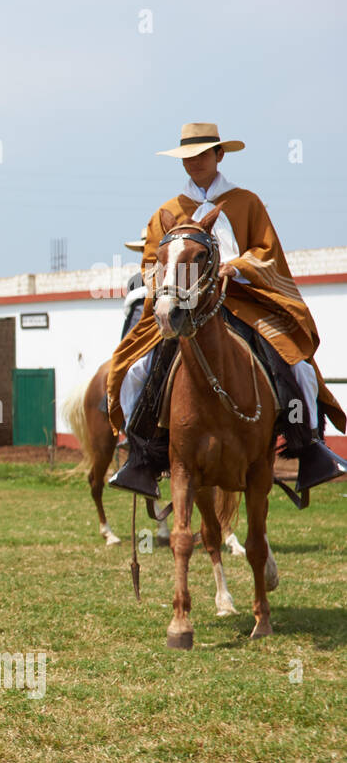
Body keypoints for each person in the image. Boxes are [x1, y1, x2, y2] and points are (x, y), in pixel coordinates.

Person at [107, 122, 346, 498]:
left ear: (219, 155)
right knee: (135, 370)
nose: (195, 162)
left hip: (243, 302)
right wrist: (168, 288)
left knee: (297, 364)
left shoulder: (246, 202)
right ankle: (141, 457)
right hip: (185, 308)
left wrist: (237, 267)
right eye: (187, 157)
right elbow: (152, 263)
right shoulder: (167, 211)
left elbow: (266, 253)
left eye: (202, 154)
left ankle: (310, 447)